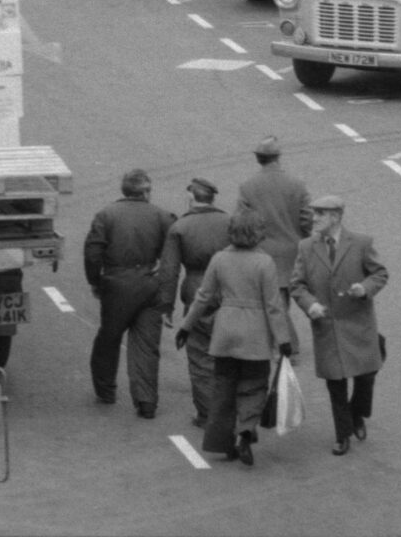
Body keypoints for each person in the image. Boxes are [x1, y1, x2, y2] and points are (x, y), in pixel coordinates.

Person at [181, 212, 293, 467]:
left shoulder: (220, 259)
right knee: (253, 385)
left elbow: (204, 296)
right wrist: (283, 340)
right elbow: (274, 305)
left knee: (223, 388)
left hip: (225, 333)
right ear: (257, 233)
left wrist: (186, 327)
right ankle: (245, 430)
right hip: (254, 335)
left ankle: (222, 442)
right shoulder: (265, 263)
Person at [289, 196, 387, 457]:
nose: (315, 218)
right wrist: (310, 305)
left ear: (335, 217)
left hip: (358, 323)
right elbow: (296, 285)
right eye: (314, 213)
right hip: (328, 325)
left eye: (320, 214)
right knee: (336, 383)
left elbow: (379, 274)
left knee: (366, 376)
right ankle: (342, 434)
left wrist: (364, 289)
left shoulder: (361, 243)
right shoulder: (307, 247)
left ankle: (357, 414)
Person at [83, 167, 172, 417]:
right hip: (149, 284)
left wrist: (95, 281)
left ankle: (106, 390)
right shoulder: (162, 216)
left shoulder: (106, 215)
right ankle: (146, 401)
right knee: (146, 344)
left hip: (116, 284)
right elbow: (172, 252)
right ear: (146, 192)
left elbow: (92, 252)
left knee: (108, 339)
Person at [158, 176, 233, 429]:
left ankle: (206, 413)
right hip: (229, 293)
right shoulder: (229, 222)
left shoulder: (181, 227)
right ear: (213, 198)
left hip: (196, 292)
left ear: (191, 197)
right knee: (229, 355)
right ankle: (230, 408)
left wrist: (166, 306)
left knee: (201, 358)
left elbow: (169, 270)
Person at [234, 136, 312, 293]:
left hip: (260, 254)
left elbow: (242, 224)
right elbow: (308, 220)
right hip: (293, 253)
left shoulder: (247, 187)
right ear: (278, 157)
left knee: (270, 303)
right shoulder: (297, 184)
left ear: (258, 159)